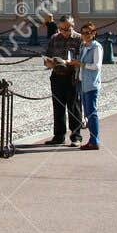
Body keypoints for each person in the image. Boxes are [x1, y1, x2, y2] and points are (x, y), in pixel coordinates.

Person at [43, 15, 84, 147]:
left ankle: (76, 136)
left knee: (74, 107)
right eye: (62, 29)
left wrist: (69, 62)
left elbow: (83, 60)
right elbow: (47, 56)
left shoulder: (80, 39)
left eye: (67, 28)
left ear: (73, 25)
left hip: (73, 76)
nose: (64, 32)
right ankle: (59, 136)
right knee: (58, 106)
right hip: (57, 76)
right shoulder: (54, 38)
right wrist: (49, 63)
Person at [77, 21, 103, 150]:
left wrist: (82, 65)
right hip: (83, 84)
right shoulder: (84, 46)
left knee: (92, 113)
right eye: (83, 33)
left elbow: (97, 66)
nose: (85, 35)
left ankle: (95, 141)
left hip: (92, 84)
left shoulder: (96, 47)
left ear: (94, 33)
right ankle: (92, 140)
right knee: (88, 113)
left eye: (88, 33)